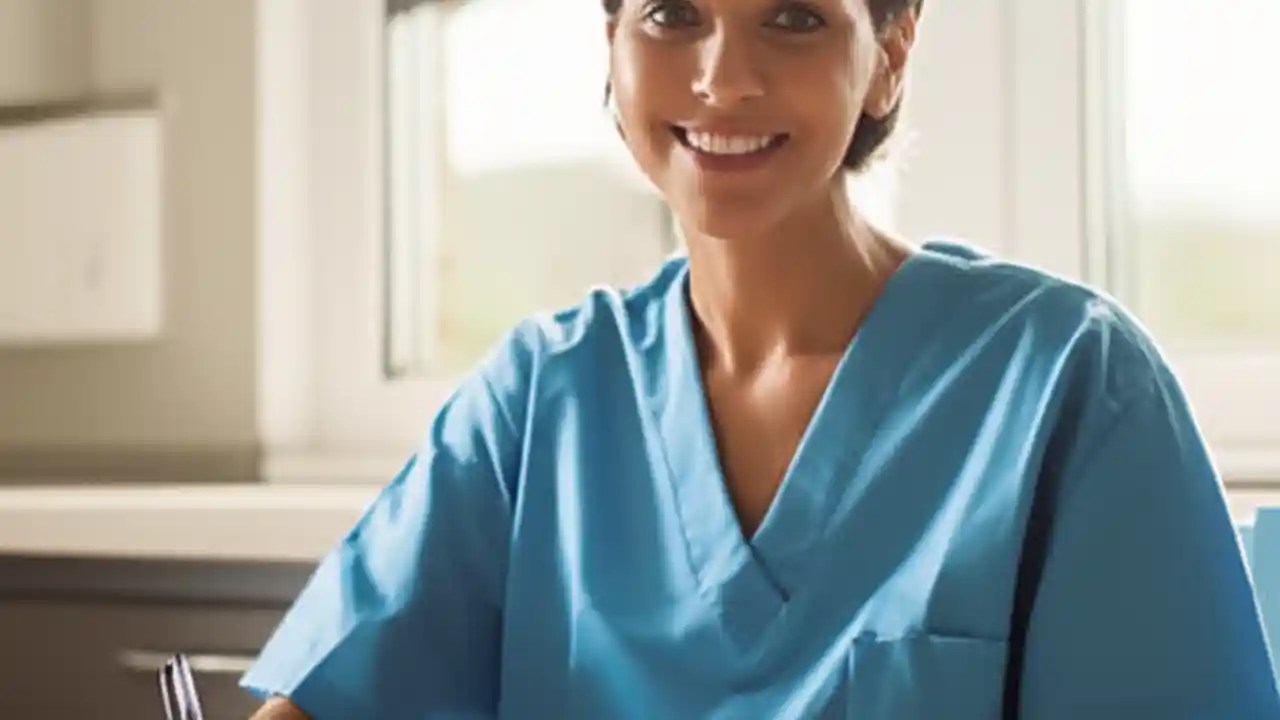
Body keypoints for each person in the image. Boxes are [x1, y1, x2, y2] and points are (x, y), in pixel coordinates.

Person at [243, 0, 1280, 717]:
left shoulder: (1069, 386)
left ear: (890, 51)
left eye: (791, 17)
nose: (721, 77)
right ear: (609, 41)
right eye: (670, 15)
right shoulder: (538, 401)